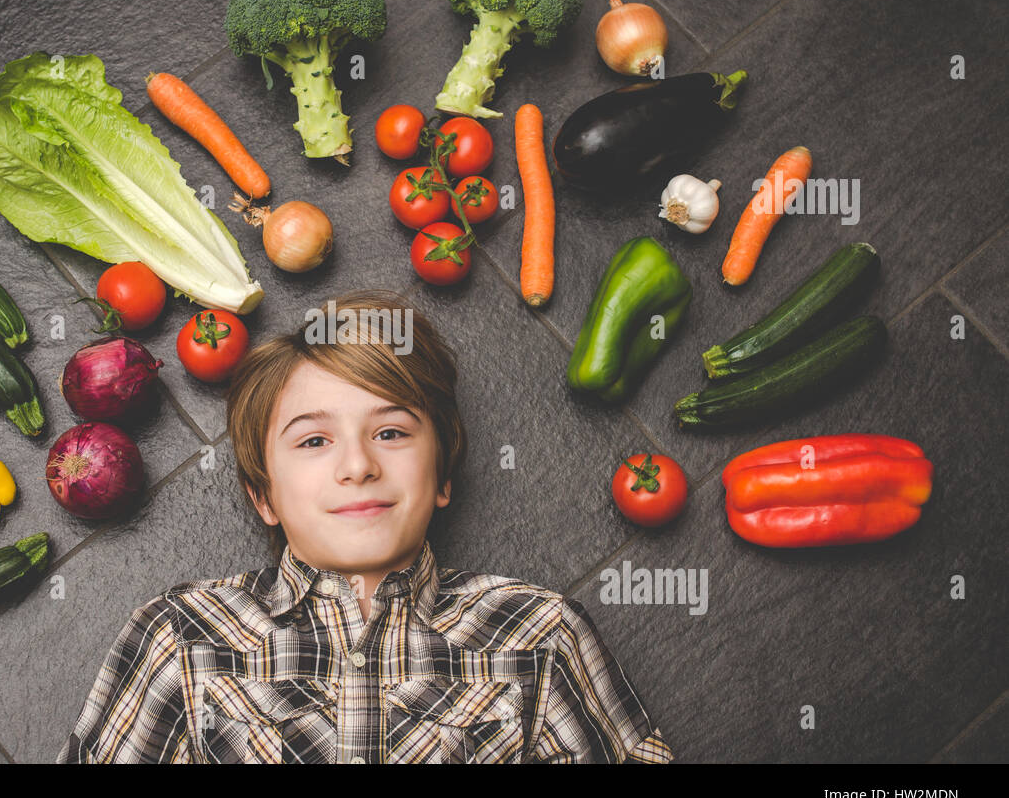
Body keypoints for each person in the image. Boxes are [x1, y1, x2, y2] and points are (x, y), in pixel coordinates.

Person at [56, 289, 672, 763]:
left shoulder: (539, 634)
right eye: (315, 440)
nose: (357, 465)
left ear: (442, 476)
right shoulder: (183, 637)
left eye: (391, 432)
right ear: (264, 495)